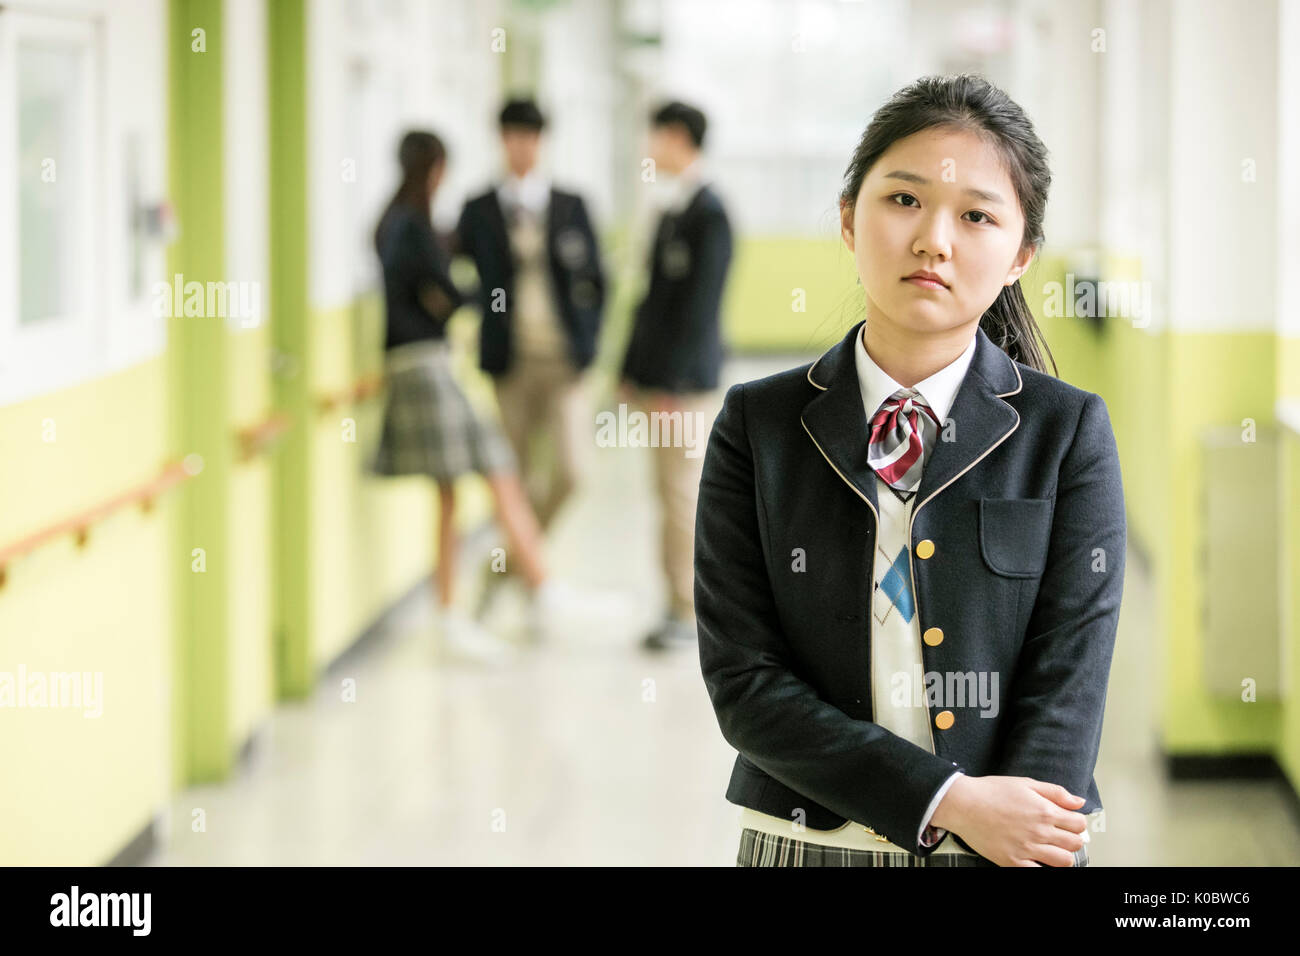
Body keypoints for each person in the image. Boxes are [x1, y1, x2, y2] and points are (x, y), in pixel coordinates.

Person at [695, 74, 1125, 867]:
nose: (935, 238)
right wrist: (945, 800)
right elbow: (745, 683)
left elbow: (1070, 676)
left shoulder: (1068, 434)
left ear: (1021, 254)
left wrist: (1014, 834)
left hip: (1007, 852)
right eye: (903, 200)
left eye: (977, 216)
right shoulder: (757, 428)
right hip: (803, 843)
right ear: (849, 219)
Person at [369, 130, 581, 663]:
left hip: (417, 362)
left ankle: (465, 611)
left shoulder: (392, 223)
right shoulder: (411, 227)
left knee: (458, 490)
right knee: (495, 467)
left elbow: (437, 293)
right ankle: (536, 587)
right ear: (435, 168)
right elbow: (450, 295)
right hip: (425, 366)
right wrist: (490, 284)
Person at [452, 98, 606, 613]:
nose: (522, 146)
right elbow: (452, 274)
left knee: (571, 471)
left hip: (563, 361)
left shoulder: (570, 204)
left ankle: (513, 562)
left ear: (542, 142)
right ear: (501, 141)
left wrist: (590, 339)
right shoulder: (478, 209)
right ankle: (527, 570)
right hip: (509, 363)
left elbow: (595, 279)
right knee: (510, 479)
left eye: (530, 136)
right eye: (513, 136)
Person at [618, 100, 733, 652]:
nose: (648, 147)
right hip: (659, 384)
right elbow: (651, 304)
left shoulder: (711, 215)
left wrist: (671, 384)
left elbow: (697, 312)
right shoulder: (671, 211)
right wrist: (631, 371)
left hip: (681, 390)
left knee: (682, 494)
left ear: (680, 138)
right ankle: (673, 601)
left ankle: (689, 612)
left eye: (655, 135)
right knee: (667, 494)